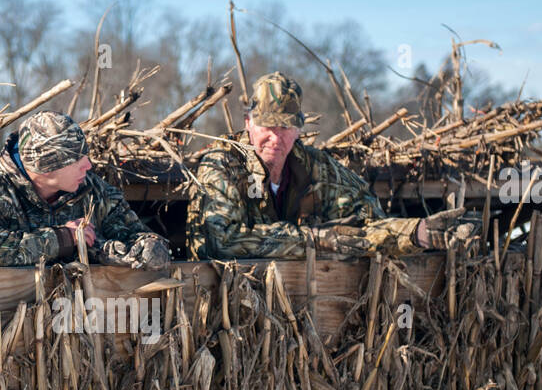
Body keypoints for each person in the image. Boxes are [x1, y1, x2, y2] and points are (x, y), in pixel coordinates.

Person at [187, 71, 477, 260]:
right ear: (248, 123)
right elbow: (219, 242)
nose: (276, 136)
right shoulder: (222, 164)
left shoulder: (316, 168)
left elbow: (366, 223)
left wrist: (416, 233)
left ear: (299, 130)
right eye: (267, 125)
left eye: (286, 127)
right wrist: (315, 240)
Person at [0, 111, 169, 268]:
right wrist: (64, 238)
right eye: (76, 159)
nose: (88, 165)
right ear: (46, 168)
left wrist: (148, 249)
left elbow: (134, 233)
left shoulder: (92, 189)